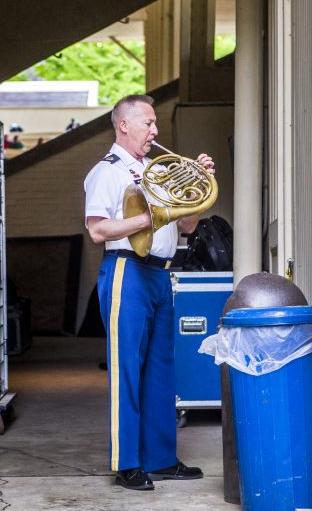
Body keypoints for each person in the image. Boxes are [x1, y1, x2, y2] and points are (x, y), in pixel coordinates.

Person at [83, 94, 215, 491]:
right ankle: (127, 464)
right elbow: (97, 229)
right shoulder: (107, 172)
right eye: (148, 123)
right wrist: (148, 217)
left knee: (162, 370)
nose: (155, 131)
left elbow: (187, 228)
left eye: (155, 124)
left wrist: (201, 185)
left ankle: (160, 459)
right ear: (123, 125)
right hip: (127, 270)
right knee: (128, 369)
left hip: (160, 274)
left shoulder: (152, 171)